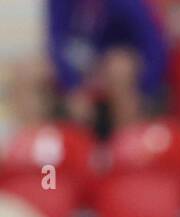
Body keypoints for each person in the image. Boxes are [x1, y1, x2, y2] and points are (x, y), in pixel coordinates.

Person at [45, 0, 168, 136]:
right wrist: (72, 86)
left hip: (116, 75)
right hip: (77, 73)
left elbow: (154, 48)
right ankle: (33, 147)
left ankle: (127, 143)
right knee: (27, 71)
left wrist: (145, 87)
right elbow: (56, 43)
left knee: (119, 67)